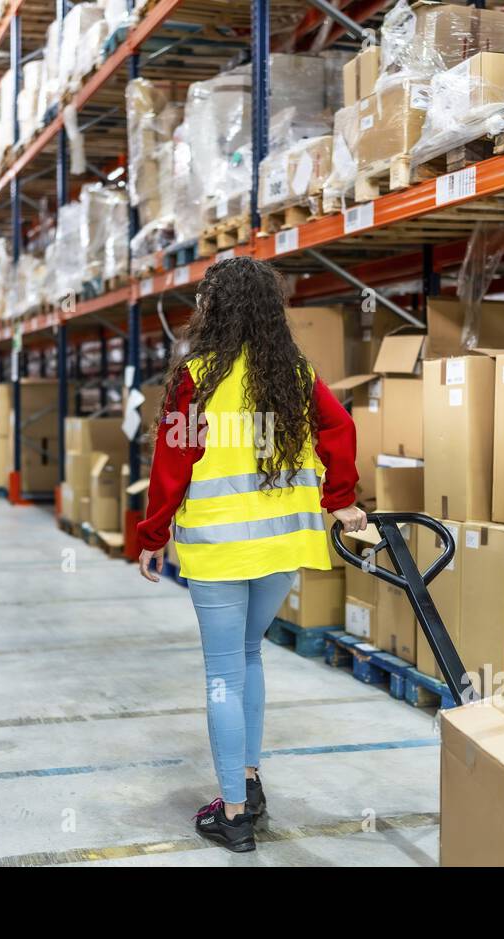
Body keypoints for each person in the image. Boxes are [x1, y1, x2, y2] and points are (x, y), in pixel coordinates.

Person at [136, 256, 365, 852]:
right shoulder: (292, 372)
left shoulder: (198, 376)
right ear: (271, 311)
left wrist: (152, 534)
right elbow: (339, 429)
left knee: (222, 675)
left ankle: (233, 815)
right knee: (249, 658)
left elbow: (171, 463)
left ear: (213, 309)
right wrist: (340, 499)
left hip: (217, 552)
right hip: (281, 548)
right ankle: (251, 780)